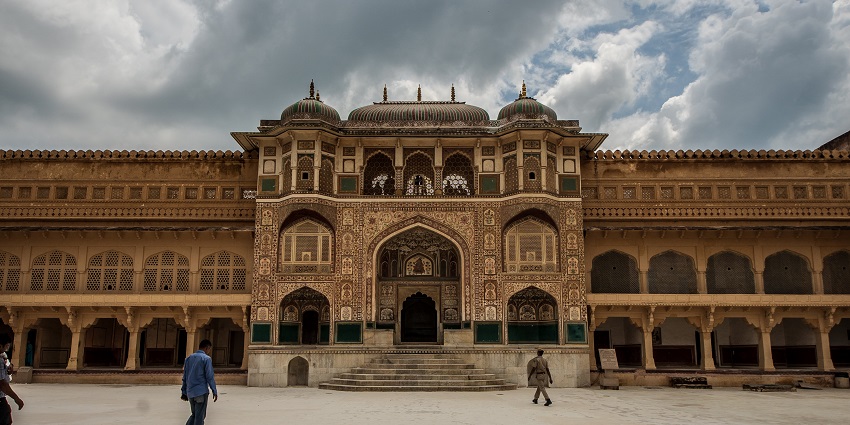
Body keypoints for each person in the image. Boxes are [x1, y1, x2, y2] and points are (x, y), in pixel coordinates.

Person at [181, 339, 218, 425]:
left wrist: (184, 391)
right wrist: (214, 390)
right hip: (201, 392)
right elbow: (210, 376)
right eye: (209, 349)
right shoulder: (206, 359)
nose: (209, 352)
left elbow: (185, 377)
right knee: (199, 417)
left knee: (194, 415)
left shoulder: (189, 358)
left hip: (190, 392)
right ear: (207, 348)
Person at [0, 334, 24, 425]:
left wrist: (7, 370)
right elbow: (2, 384)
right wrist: (16, 398)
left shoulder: (3, 357)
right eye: (6, 347)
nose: (6, 350)